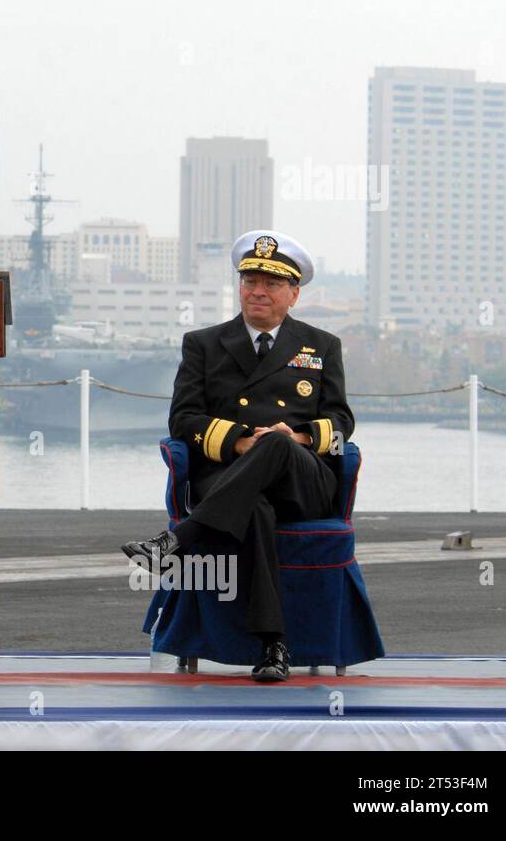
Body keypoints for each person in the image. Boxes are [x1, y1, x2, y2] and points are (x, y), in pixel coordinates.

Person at [121, 231, 354, 682]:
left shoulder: (322, 345)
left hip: (302, 479)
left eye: (271, 283)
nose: (258, 291)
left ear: (294, 294)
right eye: (250, 281)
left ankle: (179, 538)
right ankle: (273, 646)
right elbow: (183, 419)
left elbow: (342, 422)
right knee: (256, 509)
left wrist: (297, 437)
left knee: (277, 443)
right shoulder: (204, 343)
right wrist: (240, 442)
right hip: (229, 473)